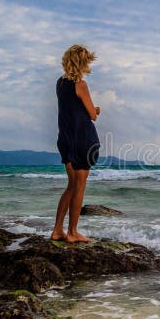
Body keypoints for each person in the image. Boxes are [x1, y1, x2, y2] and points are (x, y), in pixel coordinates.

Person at [51, 44, 101, 243]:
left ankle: (57, 230)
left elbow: (71, 108)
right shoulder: (80, 84)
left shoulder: (60, 84)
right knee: (79, 186)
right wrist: (96, 109)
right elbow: (91, 114)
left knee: (71, 186)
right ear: (82, 63)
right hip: (82, 139)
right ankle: (72, 232)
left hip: (65, 138)